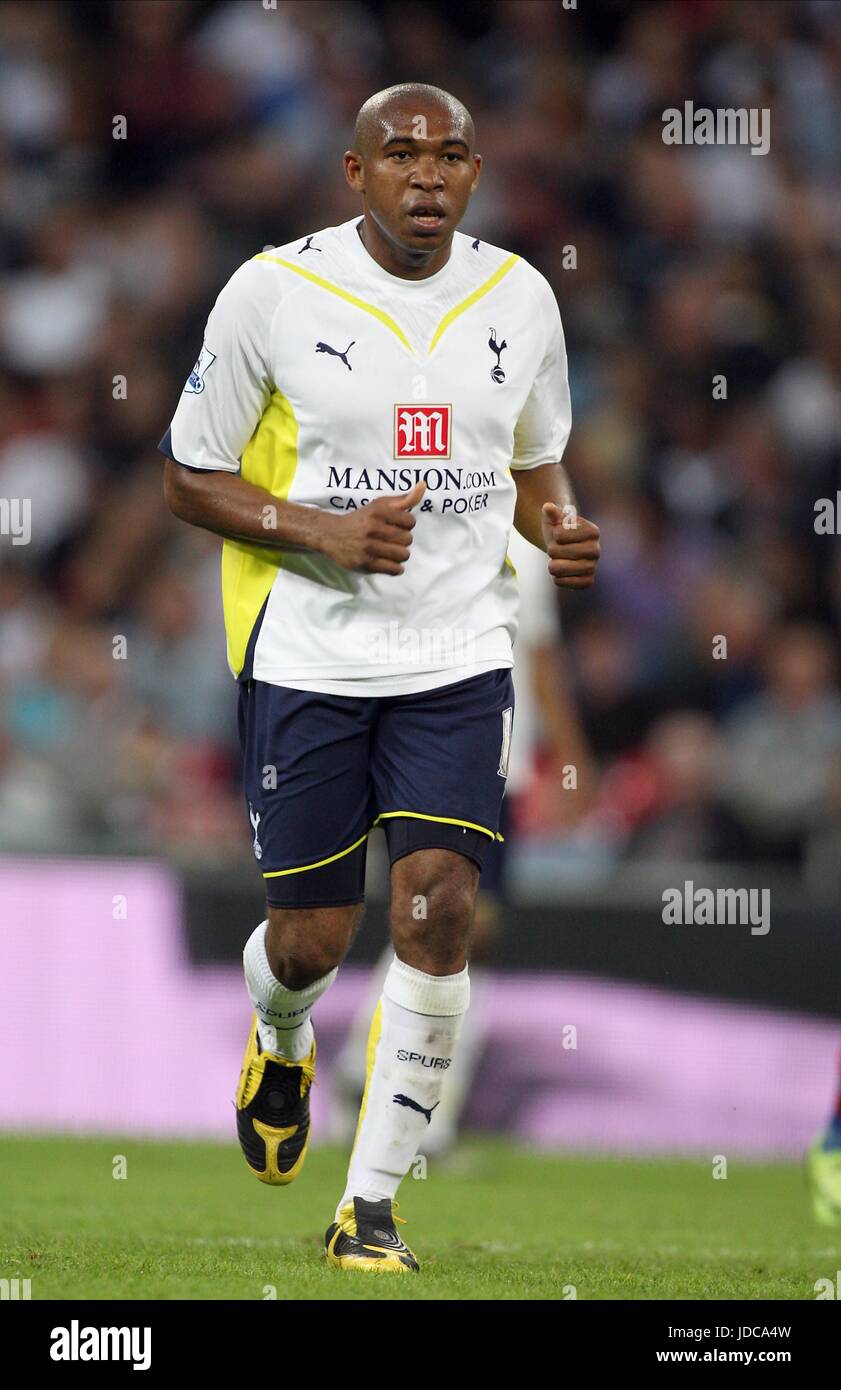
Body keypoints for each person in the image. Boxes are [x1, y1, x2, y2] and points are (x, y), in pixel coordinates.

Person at [159, 82, 599, 1275]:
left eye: (450, 155)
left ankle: (372, 1205)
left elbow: (535, 460)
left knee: (439, 908)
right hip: (310, 652)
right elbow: (190, 476)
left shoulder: (521, 296)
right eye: (401, 154)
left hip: (459, 653)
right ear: (355, 173)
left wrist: (559, 527)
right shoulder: (271, 291)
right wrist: (323, 531)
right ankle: (281, 1033)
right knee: (310, 937)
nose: (427, 174)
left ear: (474, 175)